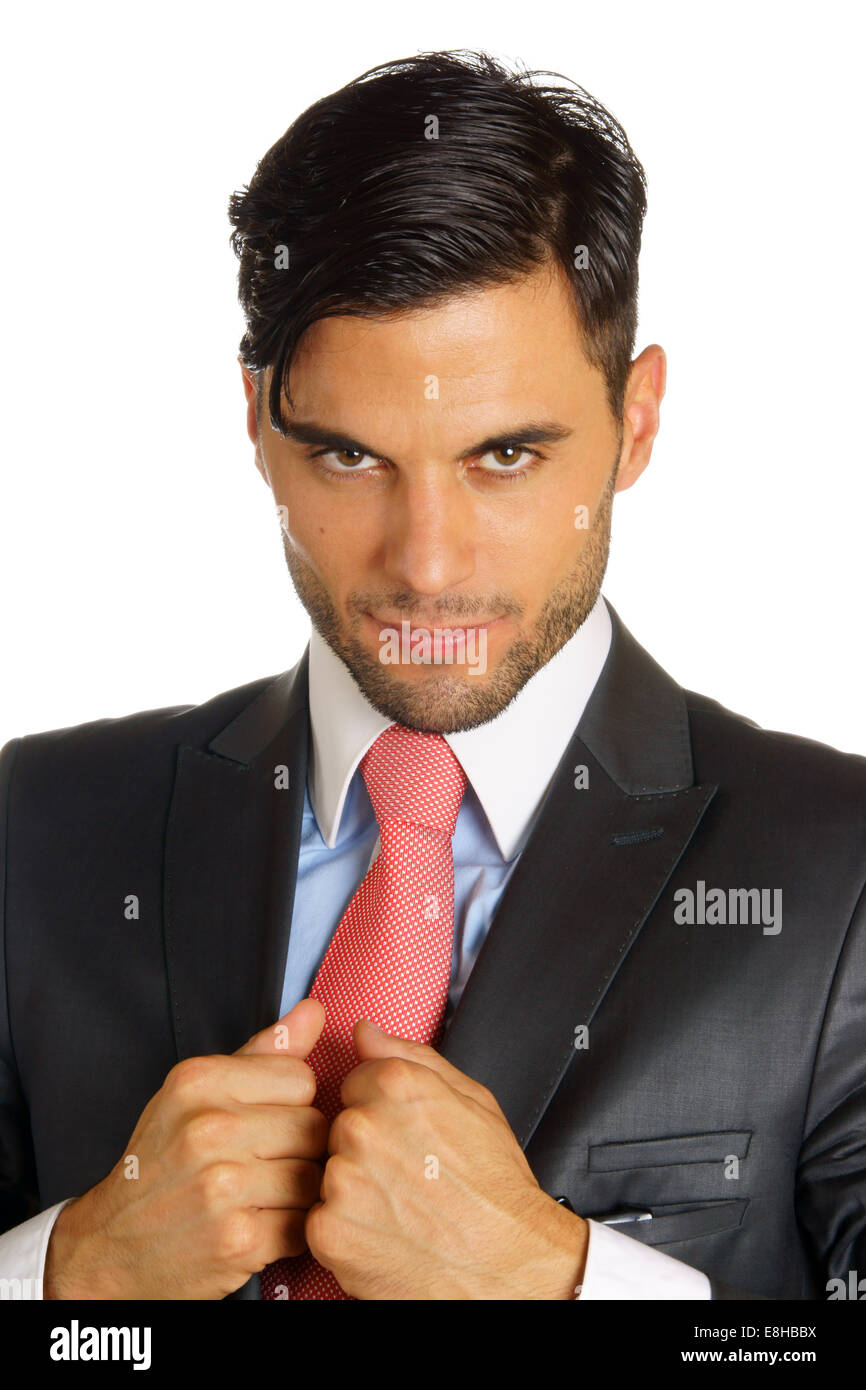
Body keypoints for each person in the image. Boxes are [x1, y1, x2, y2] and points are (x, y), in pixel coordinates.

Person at [1, 49, 863, 1301]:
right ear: (256, 424)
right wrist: (66, 1276)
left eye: (504, 453)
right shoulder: (36, 830)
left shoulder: (838, 876)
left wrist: (555, 1284)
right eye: (350, 456)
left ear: (638, 419)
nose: (426, 563)